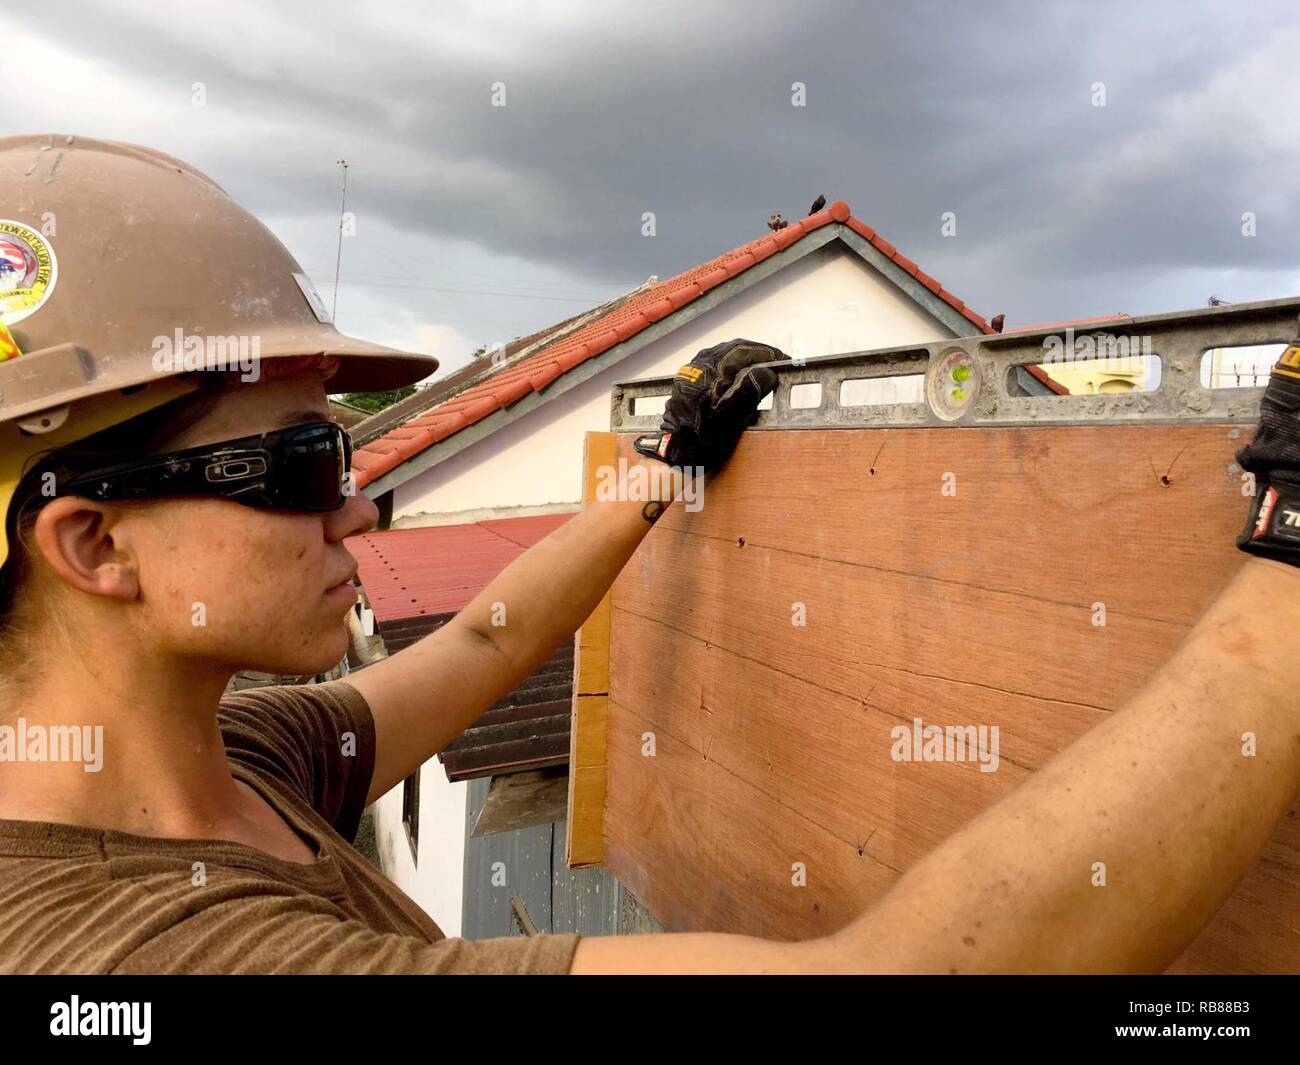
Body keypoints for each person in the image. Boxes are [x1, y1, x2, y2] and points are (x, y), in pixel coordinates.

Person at [1, 134, 1297, 975]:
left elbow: (485, 643)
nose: (361, 513)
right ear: (93, 541)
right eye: (302, 469)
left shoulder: (237, 759)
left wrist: (660, 472)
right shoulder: (126, 953)